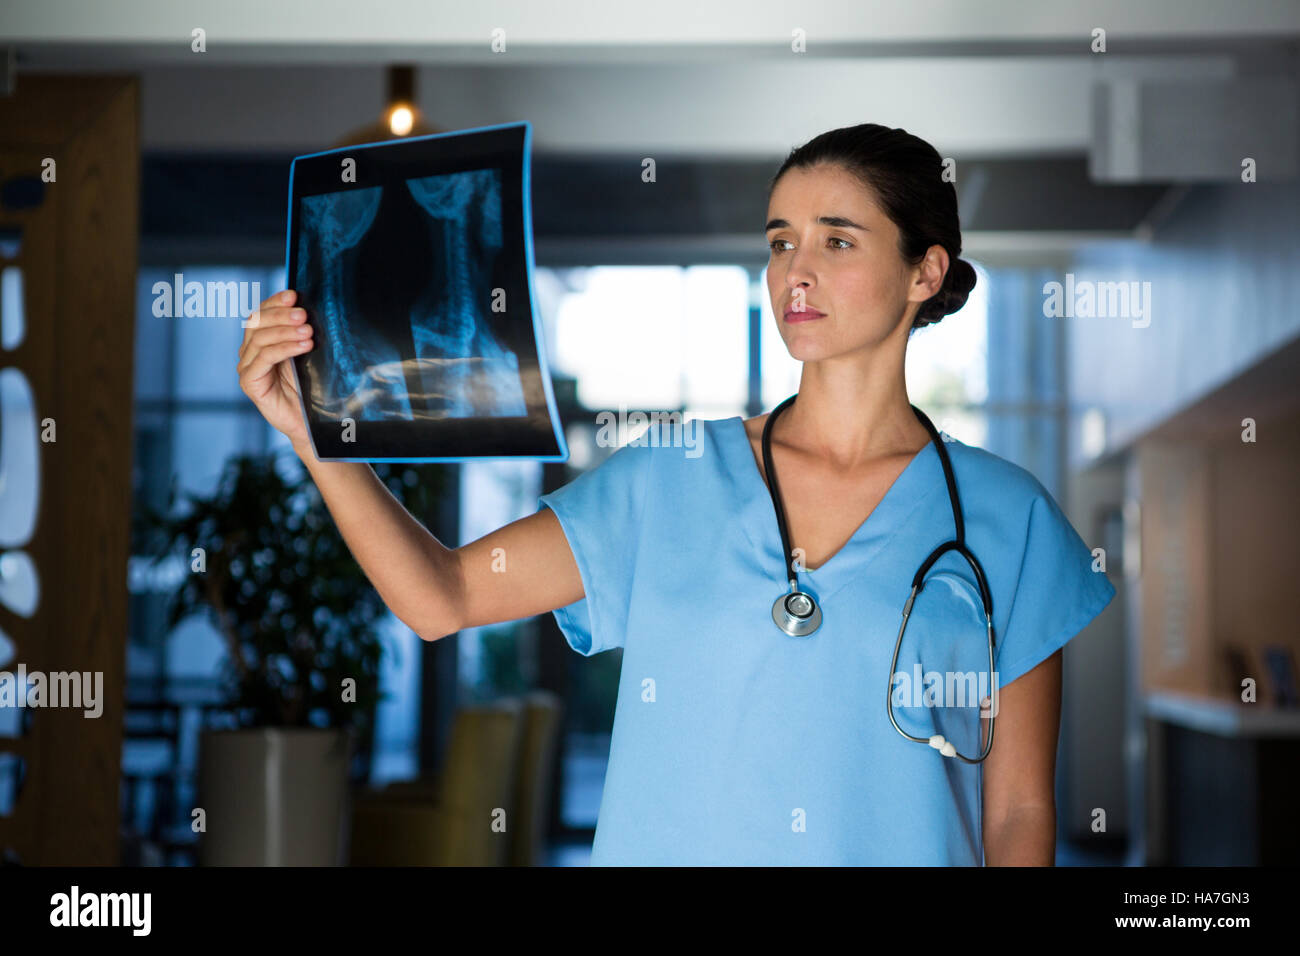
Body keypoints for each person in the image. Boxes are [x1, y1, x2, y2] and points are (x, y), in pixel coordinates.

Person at [238, 122, 1115, 866]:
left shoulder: (1008, 518)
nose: (794, 273)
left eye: (836, 240)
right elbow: (443, 598)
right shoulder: (670, 475)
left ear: (925, 272)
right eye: (780, 241)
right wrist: (314, 441)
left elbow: (1017, 813)